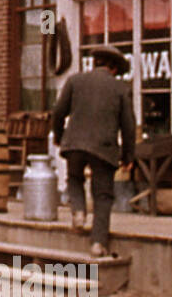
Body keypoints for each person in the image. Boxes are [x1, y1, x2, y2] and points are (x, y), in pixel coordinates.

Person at [50, 45, 136, 256]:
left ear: (95, 63)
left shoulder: (75, 81)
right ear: (114, 68)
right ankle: (98, 243)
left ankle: (78, 212)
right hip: (104, 147)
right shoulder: (121, 89)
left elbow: (58, 113)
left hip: (75, 143)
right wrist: (128, 155)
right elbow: (129, 126)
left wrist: (61, 138)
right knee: (103, 195)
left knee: (74, 179)